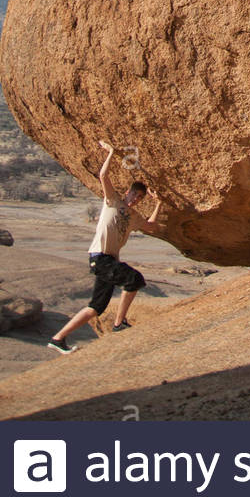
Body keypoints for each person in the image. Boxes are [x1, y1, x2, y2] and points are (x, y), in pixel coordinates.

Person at [47, 140, 162, 354]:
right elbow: (103, 177)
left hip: (108, 262)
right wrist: (110, 153)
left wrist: (158, 203)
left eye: (140, 197)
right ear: (127, 191)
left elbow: (152, 226)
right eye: (134, 194)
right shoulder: (113, 201)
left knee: (95, 307)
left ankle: (58, 338)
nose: (136, 199)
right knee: (134, 280)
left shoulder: (134, 217)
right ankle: (119, 324)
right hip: (100, 258)